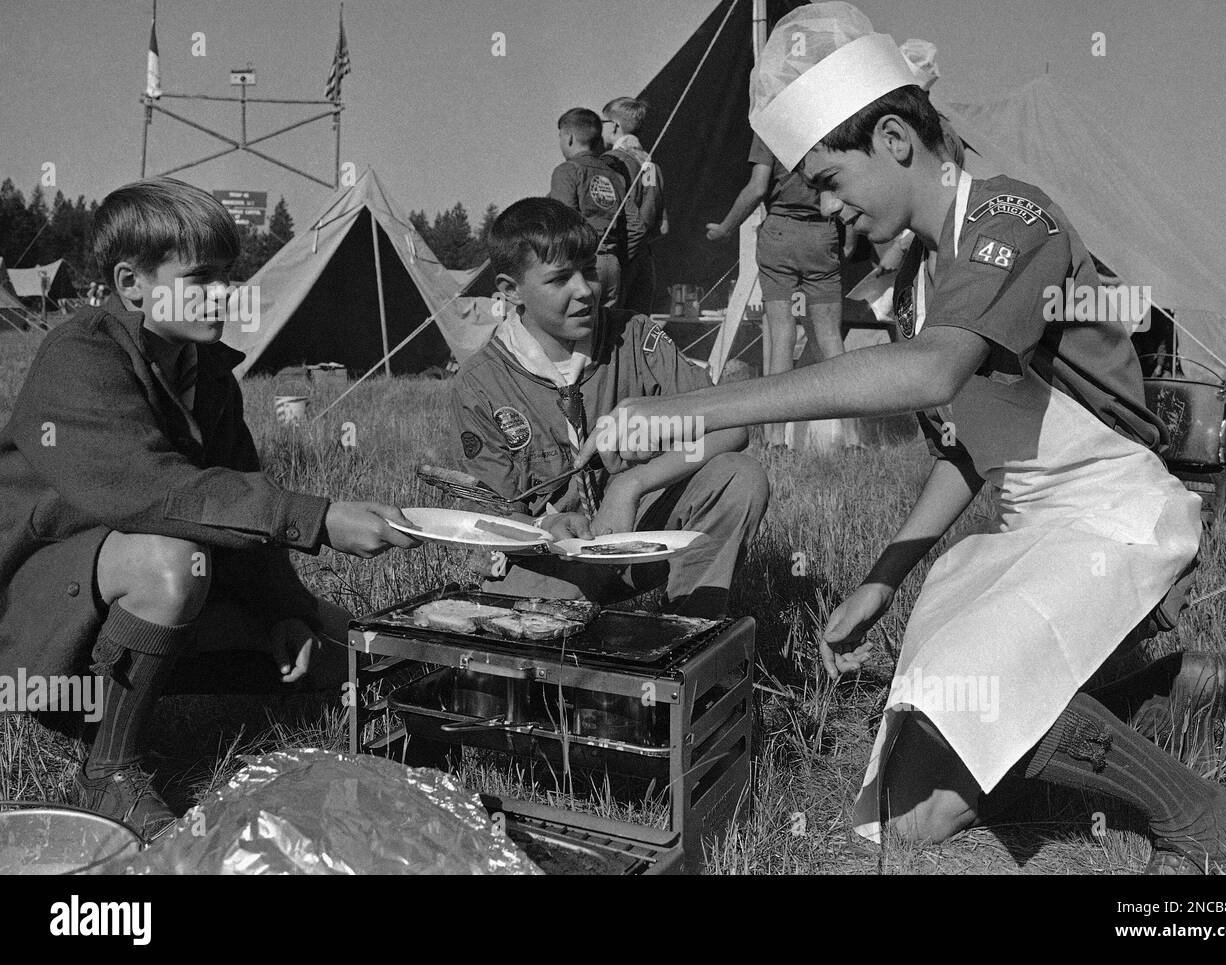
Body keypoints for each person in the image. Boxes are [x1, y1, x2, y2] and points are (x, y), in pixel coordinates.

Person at [581, 3, 1226, 874]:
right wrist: (882, 581)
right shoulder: (928, 276)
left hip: (1111, 515)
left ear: (894, 138)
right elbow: (966, 447)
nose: (827, 211)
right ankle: (1157, 690)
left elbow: (932, 375)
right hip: (1033, 526)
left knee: (981, 682)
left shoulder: (1015, 218)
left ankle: (1198, 817)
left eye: (828, 180)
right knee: (913, 811)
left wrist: (708, 409)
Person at [0, 177, 420, 837]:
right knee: (175, 566)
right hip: (36, 600)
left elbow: (231, 489)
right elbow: (159, 492)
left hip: (119, 581)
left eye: (228, 276)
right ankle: (106, 769)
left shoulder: (209, 374)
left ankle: (415, 731)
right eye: (201, 277)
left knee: (338, 636)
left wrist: (286, 607)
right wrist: (320, 516)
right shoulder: (80, 357)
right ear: (132, 283)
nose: (225, 294)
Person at [443, 197, 768, 618]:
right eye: (560, 279)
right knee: (532, 633)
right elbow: (486, 516)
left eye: (590, 270)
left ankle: (688, 629)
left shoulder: (635, 338)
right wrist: (545, 529)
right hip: (550, 564)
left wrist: (632, 485)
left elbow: (730, 428)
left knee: (738, 476)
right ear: (510, 290)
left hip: (639, 533)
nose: (584, 290)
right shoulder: (479, 385)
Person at [707, 129, 847, 446]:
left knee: (781, 333)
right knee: (829, 337)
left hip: (780, 232)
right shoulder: (830, 127)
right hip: (822, 233)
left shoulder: (771, 129)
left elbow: (757, 187)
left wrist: (726, 228)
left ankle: (775, 437)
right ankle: (850, 435)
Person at [550, 107, 631, 312]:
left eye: (560, 137)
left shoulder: (566, 171)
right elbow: (633, 223)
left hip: (583, 265)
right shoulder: (616, 176)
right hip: (613, 264)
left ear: (569, 138)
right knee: (606, 331)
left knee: (576, 334)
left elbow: (563, 224)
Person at [602, 97, 667, 315]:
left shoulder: (611, 162)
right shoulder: (651, 165)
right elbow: (662, 225)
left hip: (619, 260)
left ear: (614, 126)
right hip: (645, 262)